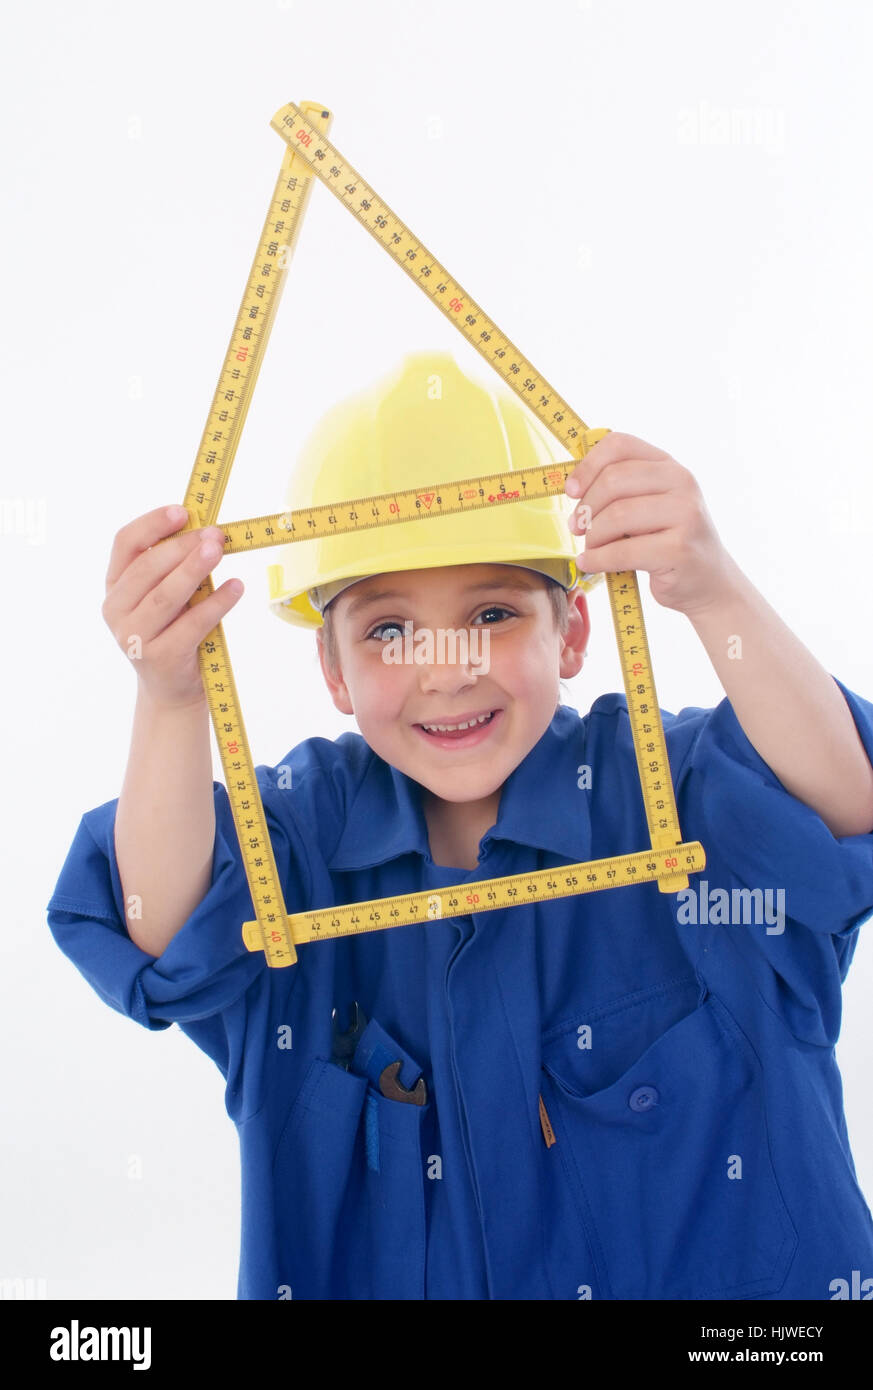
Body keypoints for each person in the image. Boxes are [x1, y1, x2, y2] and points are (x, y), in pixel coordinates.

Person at [47, 349, 873, 1301]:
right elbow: (159, 929)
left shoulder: (670, 794)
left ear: (571, 633)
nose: (446, 668)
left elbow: (844, 814)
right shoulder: (299, 845)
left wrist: (713, 589)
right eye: (389, 630)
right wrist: (170, 695)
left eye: (491, 611)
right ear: (332, 672)